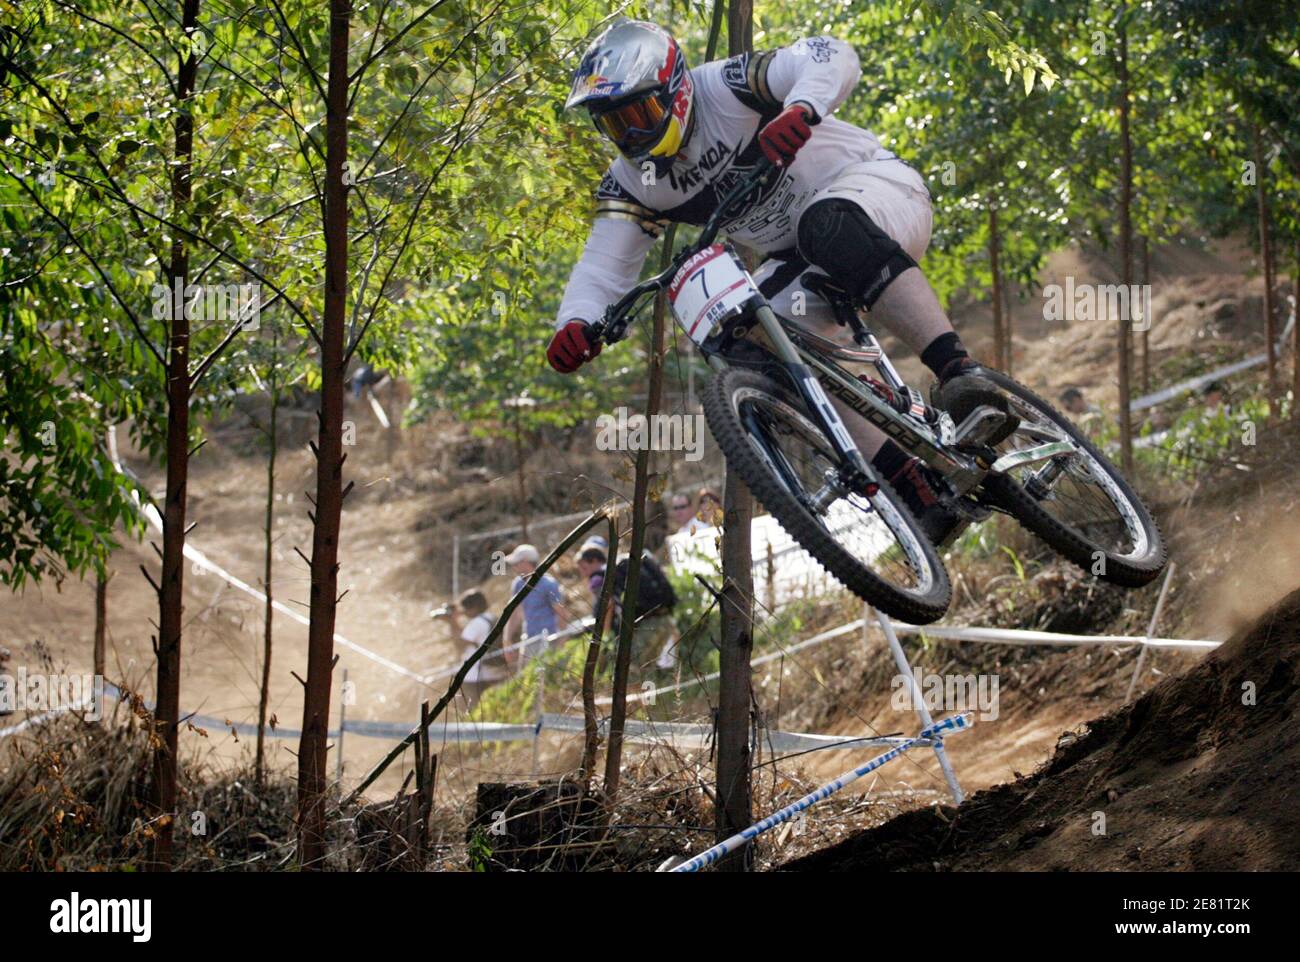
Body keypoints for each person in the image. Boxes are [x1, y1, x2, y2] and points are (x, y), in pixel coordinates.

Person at [547, 19, 1017, 543]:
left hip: (876, 194)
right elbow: (603, 264)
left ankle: (961, 375)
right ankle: (913, 482)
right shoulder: (634, 181)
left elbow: (828, 55)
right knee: (754, 341)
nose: (632, 135)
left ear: (676, 88)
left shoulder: (724, 85)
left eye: (640, 114)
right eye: (615, 126)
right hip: (800, 259)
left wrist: (802, 107)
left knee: (827, 224)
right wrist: (577, 322)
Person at [574, 543, 679, 673]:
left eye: (584, 568)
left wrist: (605, 634)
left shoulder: (599, 577)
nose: (583, 574)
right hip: (667, 619)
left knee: (630, 668)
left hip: (646, 625)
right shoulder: (627, 565)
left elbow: (608, 604)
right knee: (648, 667)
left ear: (594, 561)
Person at [435, 590, 507, 709]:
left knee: (469, 710)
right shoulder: (490, 618)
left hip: (474, 675)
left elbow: (460, 643)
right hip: (491, 671)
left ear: (474, 607)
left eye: (466, 608)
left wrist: (452, 622)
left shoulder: (477, 622)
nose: (464, 612)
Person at [503, 543, 568, 667]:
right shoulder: (518, 584)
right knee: (526, 677)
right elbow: (515, 613)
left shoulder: (548, 584)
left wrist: (562, 641)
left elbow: (561, 613)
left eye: (516, 563)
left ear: (526, 562)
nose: (514, 567)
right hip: (528, 639)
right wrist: (507, 639)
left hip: (548, 639)